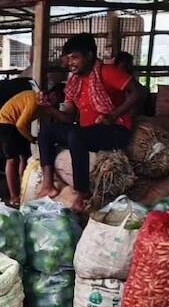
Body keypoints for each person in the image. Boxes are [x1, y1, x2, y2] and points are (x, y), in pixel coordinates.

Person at [37, 33, 144, 212]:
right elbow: (69, 117)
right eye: (68, 58)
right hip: (87, 133)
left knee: (76, 134)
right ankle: (48, 184)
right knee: (47, 131)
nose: (70, 63)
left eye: (75, 58)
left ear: (89, 56)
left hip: (115, 131)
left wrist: (112, 116)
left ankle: (82, 192)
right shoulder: (74, 82)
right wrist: (50, 109)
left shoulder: (106, 72)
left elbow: (138, 91)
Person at [0, 87, 43, 207]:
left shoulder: (44, 105)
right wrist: (31, 138)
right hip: (5, 123)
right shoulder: (34, 101)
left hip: (16, 124)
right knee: (12, 159)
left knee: (24, 157)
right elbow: (21, 125)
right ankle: (13, 196)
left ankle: (23, 191)